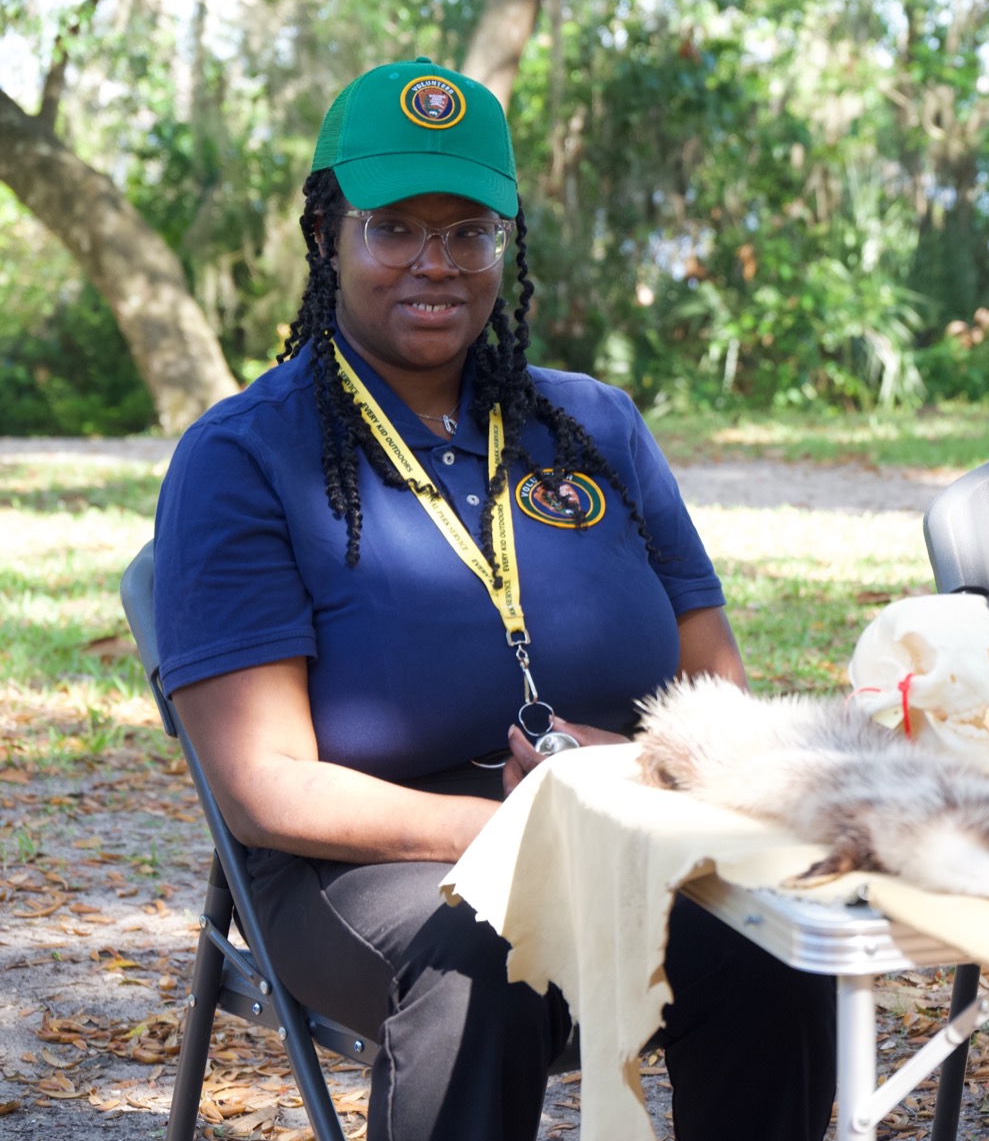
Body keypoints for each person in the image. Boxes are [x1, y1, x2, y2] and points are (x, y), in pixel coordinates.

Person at [152, 58, 835, 1141]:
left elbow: (712, 673)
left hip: (615, 816)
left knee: (769, 934)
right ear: (327, 234)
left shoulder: (592, 426)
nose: (437, 263)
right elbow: (264, 786)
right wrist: (515, 829)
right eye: (394, 228)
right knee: (490, 954)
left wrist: (645, 771)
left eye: (470, 231)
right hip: (364, 862)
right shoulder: (244, 456)